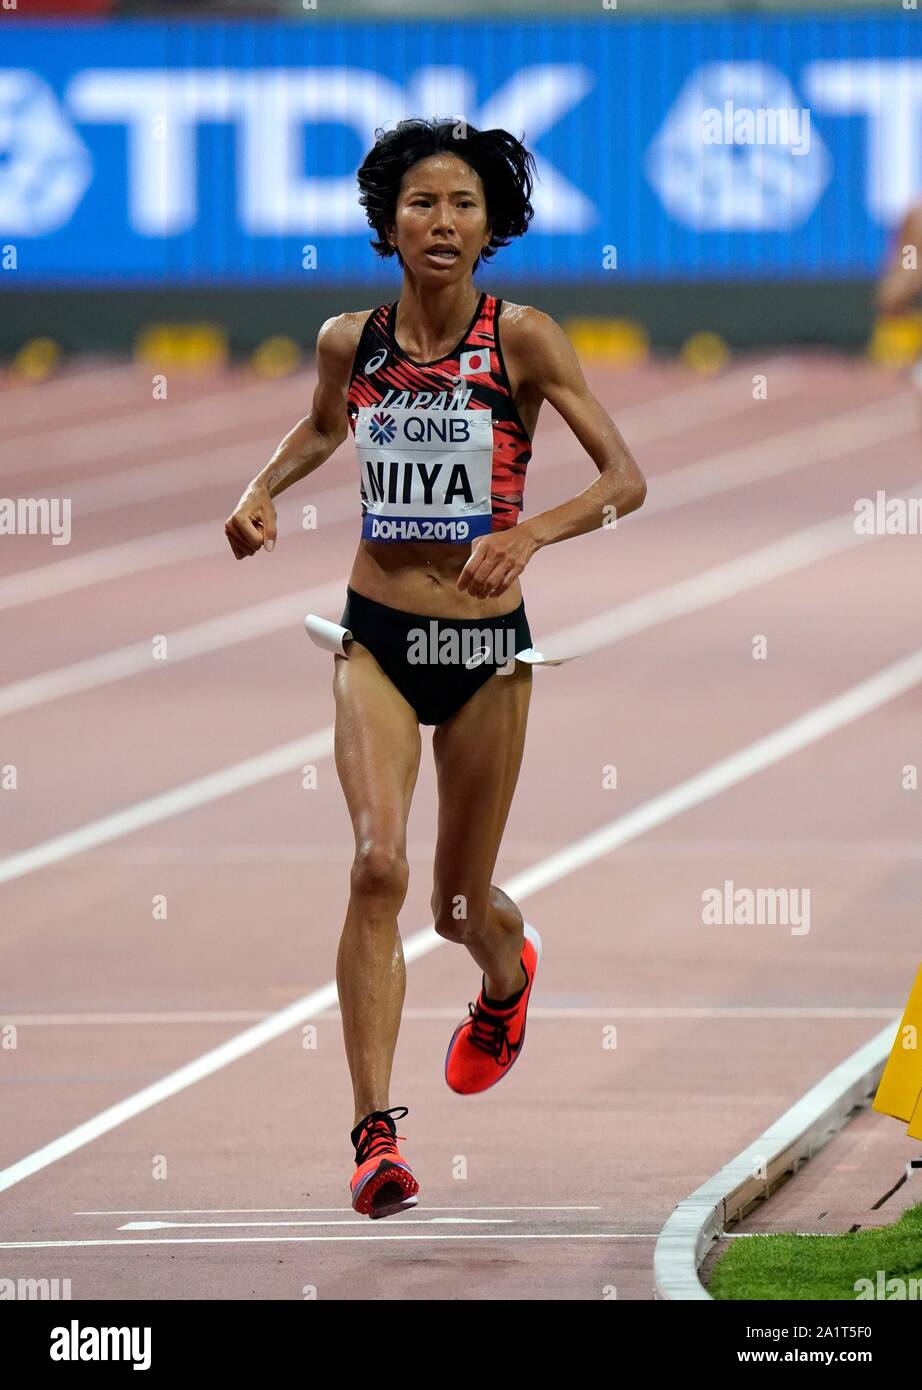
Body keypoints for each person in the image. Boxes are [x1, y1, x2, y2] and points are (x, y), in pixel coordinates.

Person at [224, 118, 647, 1220]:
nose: (443, 222)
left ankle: (505, 981)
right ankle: (374, 1138)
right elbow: (321, 431)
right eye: (421, 204)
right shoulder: (346, 340)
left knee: (458, 907)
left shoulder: (526, 341)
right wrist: (263, 487)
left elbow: (624, 478)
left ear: (491, 222)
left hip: (484, 651)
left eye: (463, 204)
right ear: (388, 224)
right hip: (374, 635)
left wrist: (534, 533)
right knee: (376, 866)